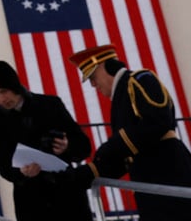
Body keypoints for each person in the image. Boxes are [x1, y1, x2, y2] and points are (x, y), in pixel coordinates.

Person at [65, 44, 191, 220]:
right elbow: (126, 155)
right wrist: (85, 174)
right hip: (149, 189)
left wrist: (111, 146)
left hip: (169, 174)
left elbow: (157, 121)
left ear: (103, 66)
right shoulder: (120, 99)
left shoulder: (140, 79)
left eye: (93, 77)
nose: (93, 84)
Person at [0, 59, 92, 220]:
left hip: (67, 196)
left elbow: (84, 146)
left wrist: (67, 146)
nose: (2, 99)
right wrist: (21, 172)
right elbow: (3, 165)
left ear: (14, 86)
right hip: (31, 202)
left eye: (4, 91)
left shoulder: (51, 105)